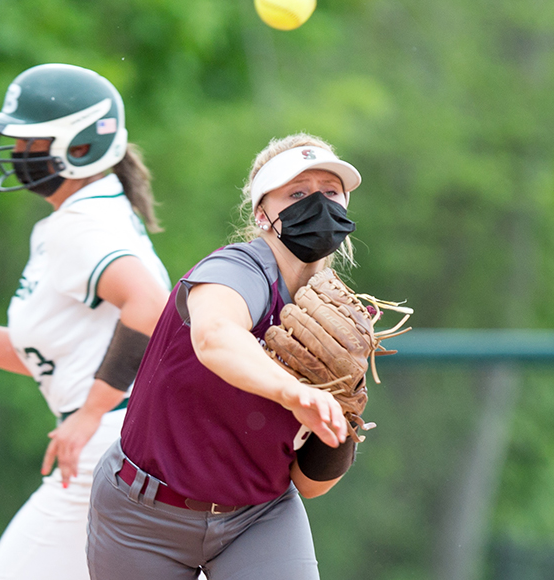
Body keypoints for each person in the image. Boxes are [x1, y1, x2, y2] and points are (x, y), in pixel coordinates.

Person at [0, 63, 171, 580]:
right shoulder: (84, 215)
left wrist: (88, 414)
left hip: (110, 442)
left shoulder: (81, 224)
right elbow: (57, 359)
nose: (16, 152)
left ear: (82, 146)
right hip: (135, 440)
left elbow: (150, 306)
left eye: (29, 139)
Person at [87, 133, 365, 580]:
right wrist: (293, 393)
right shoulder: (238, 269)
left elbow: (312, 486)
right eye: (297, 193)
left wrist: (340, 422)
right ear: (261, 213)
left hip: (258, 518)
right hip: (143, 514)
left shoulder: (339, 321)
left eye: (330, 192)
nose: (318, 205)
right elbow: (214, 337)